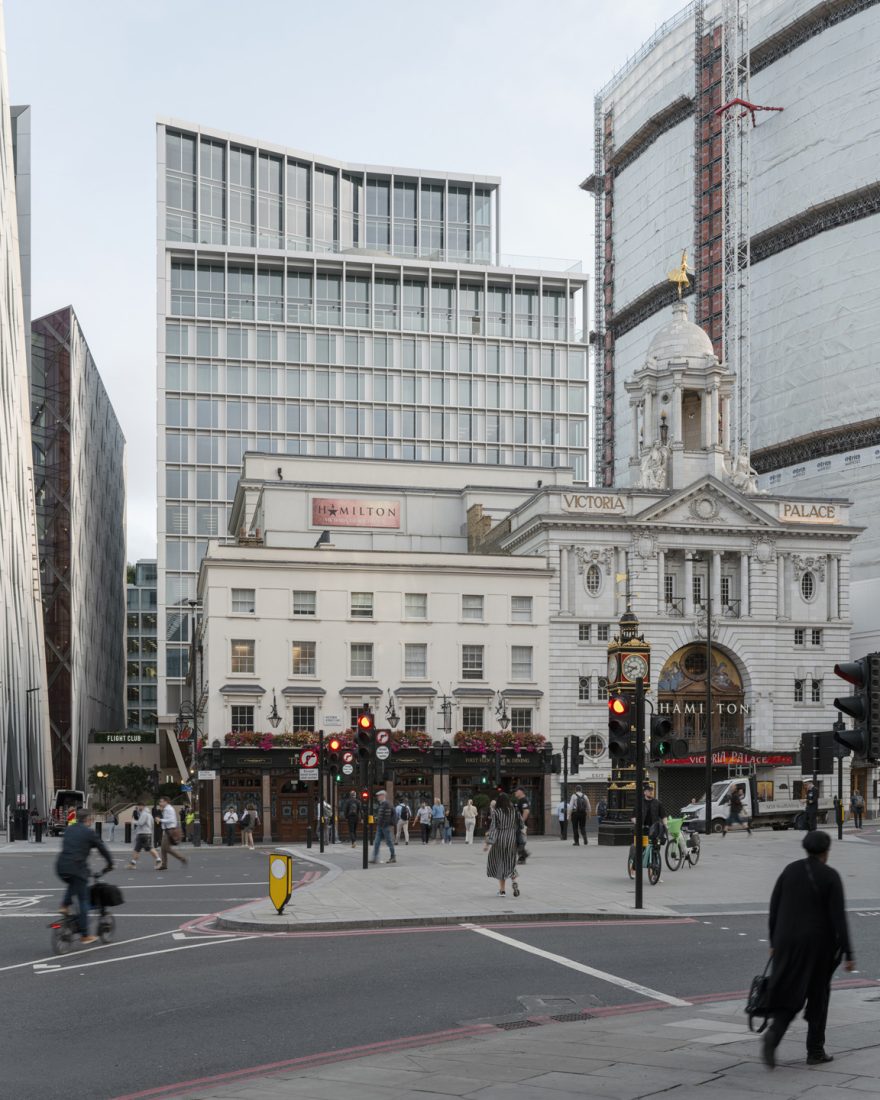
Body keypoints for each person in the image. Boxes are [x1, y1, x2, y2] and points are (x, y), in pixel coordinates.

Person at [761, 830, 855, 1069]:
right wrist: (848, 953)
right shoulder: (830, 876)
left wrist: (773, 941)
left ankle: (774, 1034)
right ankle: (815, 1051)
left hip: (786, 941)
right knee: (818, 995)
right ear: (826, 851)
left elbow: (774, 906)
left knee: (790, 991)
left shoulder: (790, 870)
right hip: (818, 946)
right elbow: (838, 918)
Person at [55, 808, 113, 944]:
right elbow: (102, 849)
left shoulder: (69, 829)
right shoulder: (89, 833)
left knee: (73, 883)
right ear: (88, 819)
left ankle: (64, 905)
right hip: (77, 868)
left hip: (61, 866)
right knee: (83, 900)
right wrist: (110, 864)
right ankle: (85, 935)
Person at [484, 792, 522, 897]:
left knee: (500, 862)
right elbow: (521, 824)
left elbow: (493, 828)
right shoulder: (514, 811)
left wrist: (488, 842)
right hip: (511, 839)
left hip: (500, 839)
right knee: (510, 862)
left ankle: (502, 890)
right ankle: (514, 881)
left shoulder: (496, 812)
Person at [155, 797, 188, 871]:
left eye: (161, 801)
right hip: (167, 830)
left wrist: (160, 820)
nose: (160, 803)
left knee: (166, 848)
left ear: (166, 802)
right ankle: (164, 865)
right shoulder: (166, 809)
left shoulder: (168, 809)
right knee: (163, 848)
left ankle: (182, 858)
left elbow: (171, 820)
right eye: (160, 802)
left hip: (170, 830)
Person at [129, 802, 161, 869]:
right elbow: (152, 823)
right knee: (137, 849)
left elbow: (140, 823)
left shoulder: (144, 814)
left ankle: (159, 860)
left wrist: (133, 821)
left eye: (138, 807)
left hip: (143, 833)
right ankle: (132, 864)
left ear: (142, 806)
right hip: (145, 833)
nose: (138, 809)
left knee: (149, 848)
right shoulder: (149, 814)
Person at [370, 791, 397, 864]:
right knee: (376, 842)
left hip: (385, 827)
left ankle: (393, 856)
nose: (378, 797)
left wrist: (384, 824)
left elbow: (387, 817)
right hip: (380, 826)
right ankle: (375, 858)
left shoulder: (387, 804)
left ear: (383, 796)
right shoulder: (381, 804)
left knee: (389, 842)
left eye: (379, 795)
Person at [513, 787, 530, 863]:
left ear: (521, 792)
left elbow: (526, 811)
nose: (515, 793)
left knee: (521, 841)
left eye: (516, 791)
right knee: (517, 841)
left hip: (521, 825)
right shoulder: (519, 801)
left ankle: (522, 857)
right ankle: (523, 855)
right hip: (517, 824)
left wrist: (522, 822)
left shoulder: (524, 800)